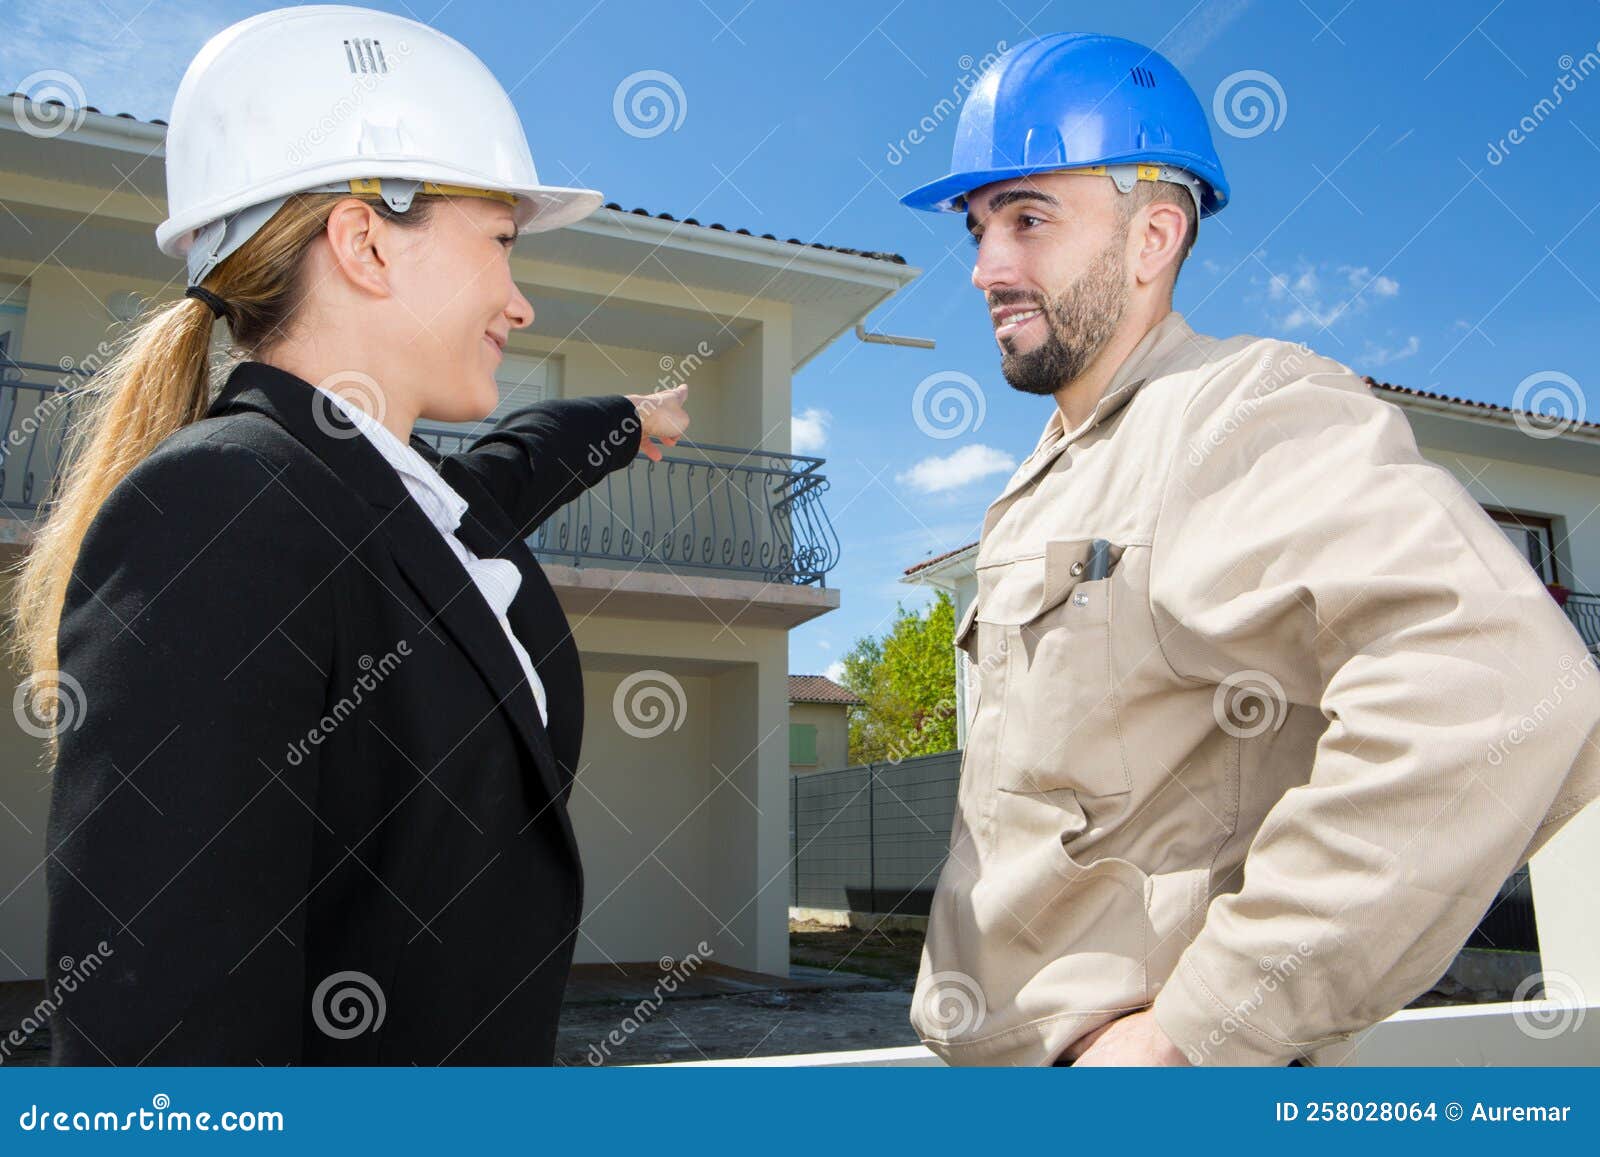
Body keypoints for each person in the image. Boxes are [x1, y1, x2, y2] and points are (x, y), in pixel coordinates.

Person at [896, 32, 1600, 1067]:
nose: (986, 268)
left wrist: (1192, 1033)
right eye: (978, 227)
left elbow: (1499, 682)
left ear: (1153, 238)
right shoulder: (1051, 471)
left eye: (1029, 218)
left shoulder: (1235, 411)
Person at [8, 5, 688, 1064]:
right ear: (367, 242)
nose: (520, 304)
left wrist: (626, 420)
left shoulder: (381, 502)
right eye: (502, 243)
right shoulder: (220, 507)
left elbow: (509, 471)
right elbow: (159, 1044)